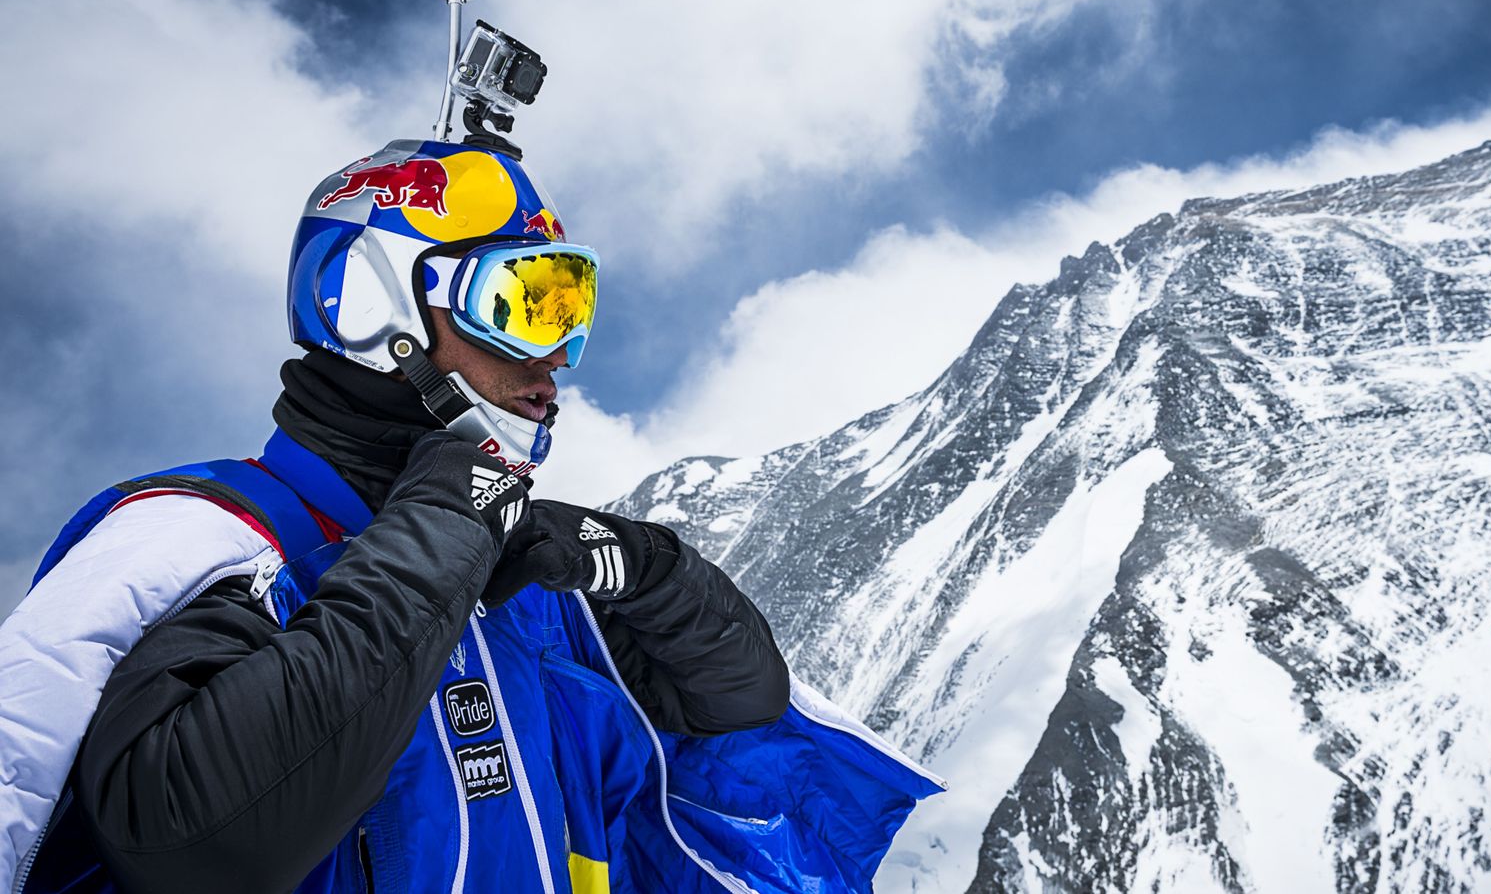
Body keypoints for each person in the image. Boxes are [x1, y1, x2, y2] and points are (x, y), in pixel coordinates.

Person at [0, 141, 941, 893]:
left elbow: (735, 708)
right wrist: (448, 517)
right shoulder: (210, 543)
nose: (558, 361)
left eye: (572, 306)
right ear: (379, 313)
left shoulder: (518, 583)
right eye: (525, 307)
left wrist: (650, 564)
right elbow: (190, 844)